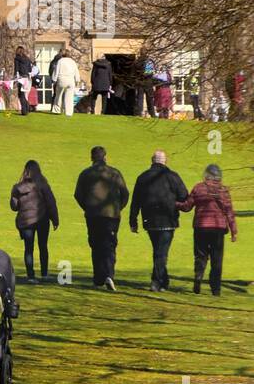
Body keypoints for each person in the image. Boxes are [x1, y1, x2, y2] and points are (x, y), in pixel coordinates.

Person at [129, 150, 188, 291]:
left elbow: (135, 201)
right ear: (165, 161)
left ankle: (164, 281)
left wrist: (133, 220)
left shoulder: (143, 177)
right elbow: (184, 195)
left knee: (158, 251)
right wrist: (176, 204)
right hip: (168, 220)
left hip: (150, 221)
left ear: (152, 161)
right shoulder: (173, 177)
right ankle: (156, 282)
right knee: (161, 252)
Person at [73, 145, 129, 290]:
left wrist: (87, 207)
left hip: (93, 215)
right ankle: (109, 275)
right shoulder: (114, 173)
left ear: (91, 158)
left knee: (95, 244)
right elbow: (125, 193)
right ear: (105, 157)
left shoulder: (85, 174)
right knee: (110, 245)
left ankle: (98, 277)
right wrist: (118, 208)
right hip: (111, 216)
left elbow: (78, 195)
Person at [178, 163, 238, 297]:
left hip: (201, 227)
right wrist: (234, 231)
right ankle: (215, 289)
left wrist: (175, 203)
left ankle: (198, 276)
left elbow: (187, 207)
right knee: (217, 259)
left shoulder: (198, 188)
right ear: (219, 177)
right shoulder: (223, 191)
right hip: (218, 229)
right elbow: (229, 212)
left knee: (200, 255)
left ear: (206, 175)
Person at [10, 159, 59, 282]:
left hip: (26, 222)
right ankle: (44, 274)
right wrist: (55, 219)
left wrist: (14, 197)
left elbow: (14, 207)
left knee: (28, 248)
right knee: (43, 246)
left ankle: (30, 276)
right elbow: (51, 202)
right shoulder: (43, 184)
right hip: (42, 219)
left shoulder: (18, 187)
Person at [51, 50, 80, 116]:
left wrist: (54, 79)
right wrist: (77, 80)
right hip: (71, 80)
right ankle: (69, 112)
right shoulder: (73, 62)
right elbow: (76, 71)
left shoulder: (60, 61)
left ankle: (57, 110)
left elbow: (56, 71)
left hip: (62, 79)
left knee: (58, 95)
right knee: (69, 97)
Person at [14, 45, 36, 115]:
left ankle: (24, 111)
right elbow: (30, 70)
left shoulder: (17, 59)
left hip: (21, 78)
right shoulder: (27, 59)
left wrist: (16, 78)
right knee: (25, 94)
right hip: (28, 78)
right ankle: (27, 108)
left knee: (21, 95)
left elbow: (16, 69)